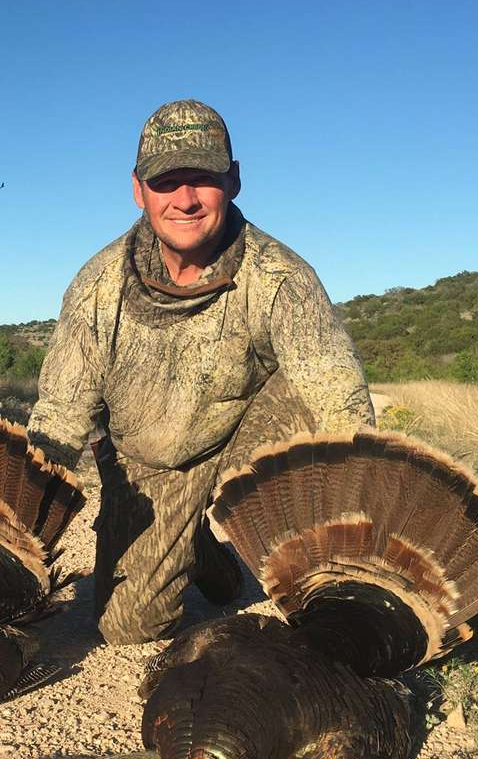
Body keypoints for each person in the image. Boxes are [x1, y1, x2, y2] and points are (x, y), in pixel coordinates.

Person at [27, 99, 374, 645]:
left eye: (203, 179)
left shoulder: (282, 277)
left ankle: (280, 548)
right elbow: (61, 415)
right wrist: (12, 529)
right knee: (129, 628)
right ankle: (197, 546)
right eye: (167, 182)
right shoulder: (97, 286)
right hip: (150, 465)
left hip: (246, 441)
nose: (186, 200)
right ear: (139, 190)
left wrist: (365, 537)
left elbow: (343, 407)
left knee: (318, 422)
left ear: (233, 181)